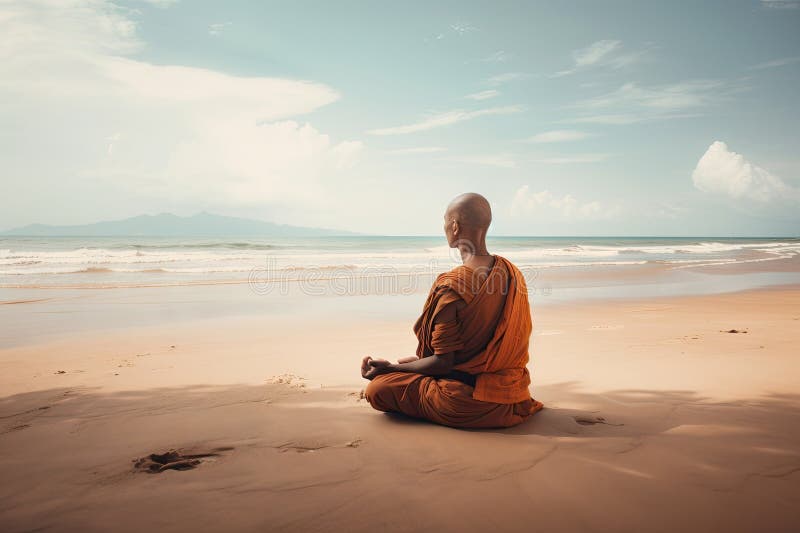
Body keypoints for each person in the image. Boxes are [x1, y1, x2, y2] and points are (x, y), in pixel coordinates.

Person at [361, 193, 543, 428]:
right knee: (414, 364)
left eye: (445, 220)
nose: (445, 226)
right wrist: (419, 364)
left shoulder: (454, 284)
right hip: (511, 396)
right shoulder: (512, 273)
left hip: (467, 403)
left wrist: (392, 369)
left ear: (455, 226)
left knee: (378, 389)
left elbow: (444, 363)